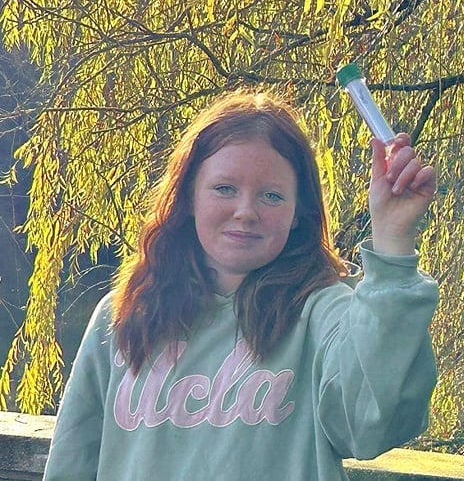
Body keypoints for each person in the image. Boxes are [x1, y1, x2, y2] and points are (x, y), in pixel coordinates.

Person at [43, 90, 439, 481]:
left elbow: (374, 424)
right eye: (224, 189)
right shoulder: (123, 315)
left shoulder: (324, 315)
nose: (245, 212)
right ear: (188, 196)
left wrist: (393, 237)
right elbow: (71, 463)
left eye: (271, 195)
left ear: (299, 212)